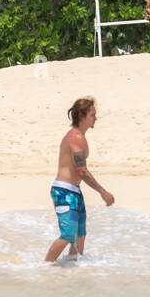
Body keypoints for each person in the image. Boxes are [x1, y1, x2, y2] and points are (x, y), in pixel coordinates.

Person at [45, 97, 114, 263]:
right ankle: (44, 268)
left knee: (80, 234)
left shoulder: (79, 136)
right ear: (82, 116)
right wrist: (103, 192)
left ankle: (73, 268)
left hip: (74, 191)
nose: (96, 118)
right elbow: (81, 171)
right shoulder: (76, 137)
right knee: (68, 234)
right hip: (63, 191)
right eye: (92, 115)